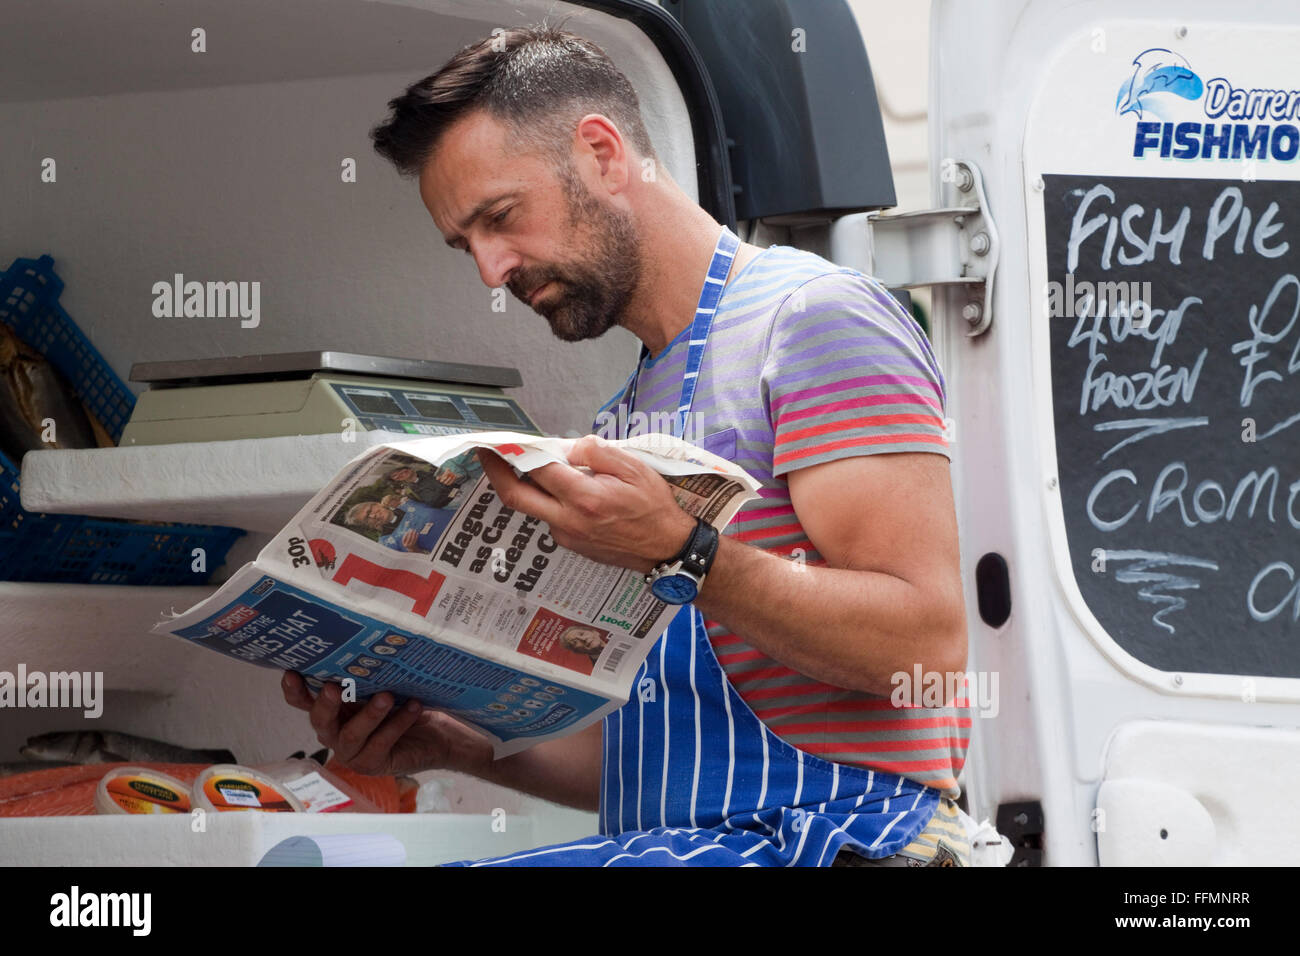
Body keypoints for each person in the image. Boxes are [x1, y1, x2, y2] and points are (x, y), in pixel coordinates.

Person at [281, 24, 973, 867]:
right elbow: (664, 758)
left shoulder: (813, 320)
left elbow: (926, 649)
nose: (491, 270)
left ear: (603, 154)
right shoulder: (627, 413)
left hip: (842, 839)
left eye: (500, 218)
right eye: (467, 245)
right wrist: (454, 745)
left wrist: (683, 554)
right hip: (682, 844)